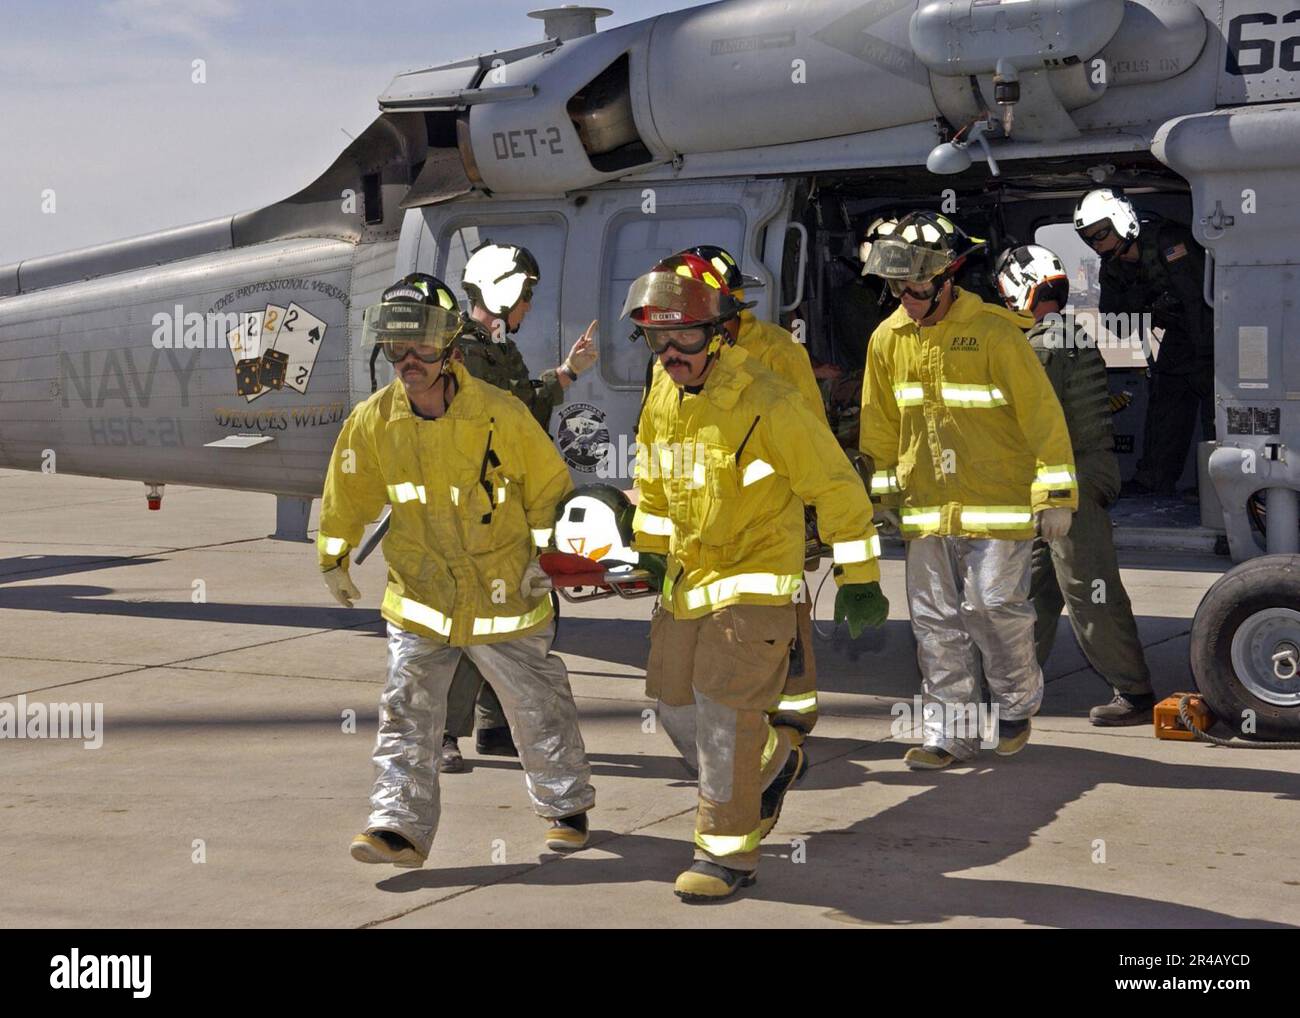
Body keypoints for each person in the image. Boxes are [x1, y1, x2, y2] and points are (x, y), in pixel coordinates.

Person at [627, 255, 889, 901]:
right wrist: (650, 550)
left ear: (718, 332)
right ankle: (774, 762)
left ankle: (726, 856)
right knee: (672, 707)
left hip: (756, 579)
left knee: (724, 714)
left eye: (684, 336)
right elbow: (655, 480)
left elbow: (833, 483)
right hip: (688, 578)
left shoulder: (769, 397)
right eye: (657, 338)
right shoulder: (661, 392)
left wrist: (858, 575)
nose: (670, 353)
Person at [318, 273, 595, 867]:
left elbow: (549, 489)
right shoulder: (373, 422)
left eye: (418, 346)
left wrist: (551, 559)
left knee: (535, 705)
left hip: (504, 594)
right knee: (407, 710)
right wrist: (334, 555)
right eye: (395, 347)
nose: (406, 360)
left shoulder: (502, 414)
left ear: (449, 347)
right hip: (421, 598)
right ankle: (397, 825)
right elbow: (348, 491)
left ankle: (566, 807)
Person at [859, 212, 1078, 769]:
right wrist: (884, 497)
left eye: (914, 290)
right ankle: (947, 736)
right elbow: (879, 424)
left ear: (946, 277)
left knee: (991, 606)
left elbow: (1041, 417)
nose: (905, 300)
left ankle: (1015, 703)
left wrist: (1054, 495)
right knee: (936, 625)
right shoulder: (887, 340)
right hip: (926, 508)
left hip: (998, 502)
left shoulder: (995, 333)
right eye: (896, 290)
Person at [440, 241, 599, 772]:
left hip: (505, 502)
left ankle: (495, 725)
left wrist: (567, 372)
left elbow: (521, 405)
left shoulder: (498, 347)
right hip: (470, 505)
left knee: (522, 611)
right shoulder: (459, 349)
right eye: (524, 296)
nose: (528, 307)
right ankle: (440, 732)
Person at [994, 244, 1155, 725]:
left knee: (1090, 588)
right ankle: (1016, 687)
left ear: (1022, 291)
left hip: (1070, 480)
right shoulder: (1067, 332)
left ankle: (1135, 691)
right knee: (1034, 589)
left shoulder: (1043, 346)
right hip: (1072, 474)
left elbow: (1020, 420)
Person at [1074, 188, 1213, 497]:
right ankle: (1153, 479)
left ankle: (1219, 488)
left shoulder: (1168, 242)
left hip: (1212, 331)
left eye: (1101, 234)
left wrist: (1206, 357)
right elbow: (1114, 321)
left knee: (1217, 406)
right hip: (1180, 334)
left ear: (1121, 220)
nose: (1096, 244)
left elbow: (1198, 302)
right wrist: (1144, 301)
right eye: (1089, 238)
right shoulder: (1114, 267)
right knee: (1166, 401)